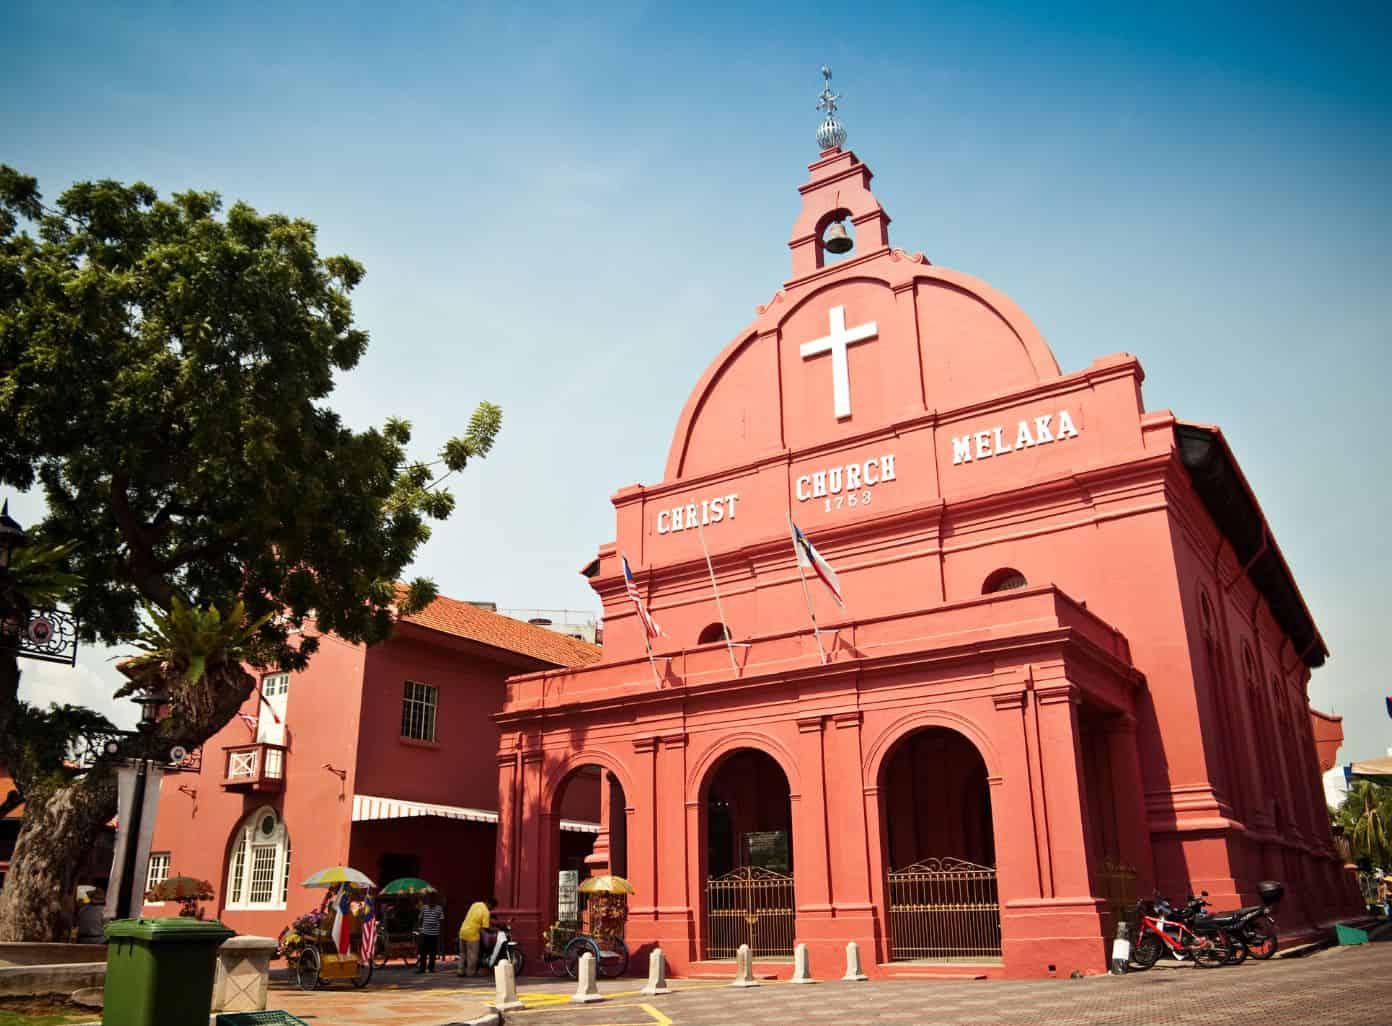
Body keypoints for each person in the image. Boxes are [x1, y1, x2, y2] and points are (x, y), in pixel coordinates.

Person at [457, 896, 499, 977]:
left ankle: (460, 971)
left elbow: (474, 917)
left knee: (462, 953)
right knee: (472, 955)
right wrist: (495, 930)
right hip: (472, 934)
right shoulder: (486, 912)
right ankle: (471, 973)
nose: (492, 909)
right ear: (490, 905)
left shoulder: (475, 904)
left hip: (462, 931)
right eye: (493, 907)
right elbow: (485, 928)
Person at [415, 889, 445, 973]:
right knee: (423, 952)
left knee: (433, 952)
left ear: (436, 900)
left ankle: (431, 968)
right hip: (425, 933)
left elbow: (441, 921)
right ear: (428, 900)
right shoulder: (424, 908)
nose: (432, 901)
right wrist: (420, 930)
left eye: (434, 899)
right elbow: (420, 919)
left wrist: (440, 934)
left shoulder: (439, 908)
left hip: (434, 933)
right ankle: (422, 968)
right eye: (430, 899)